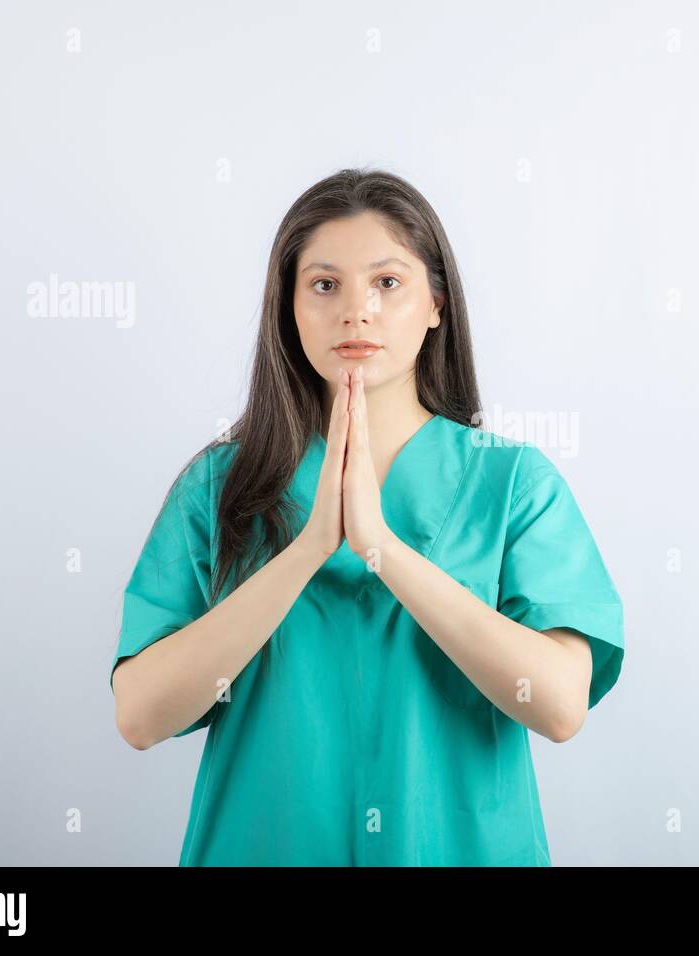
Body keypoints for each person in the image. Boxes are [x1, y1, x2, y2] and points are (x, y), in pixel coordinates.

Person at [109, 167, 624, 866]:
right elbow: (140, 716)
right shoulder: (218, 487)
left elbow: (561, 705)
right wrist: (307, 549)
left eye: (388, 282)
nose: (357, 311)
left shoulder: (512, 483)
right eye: (324, 285)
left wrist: (382, 548)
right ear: (288, 308)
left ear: (437, 303)